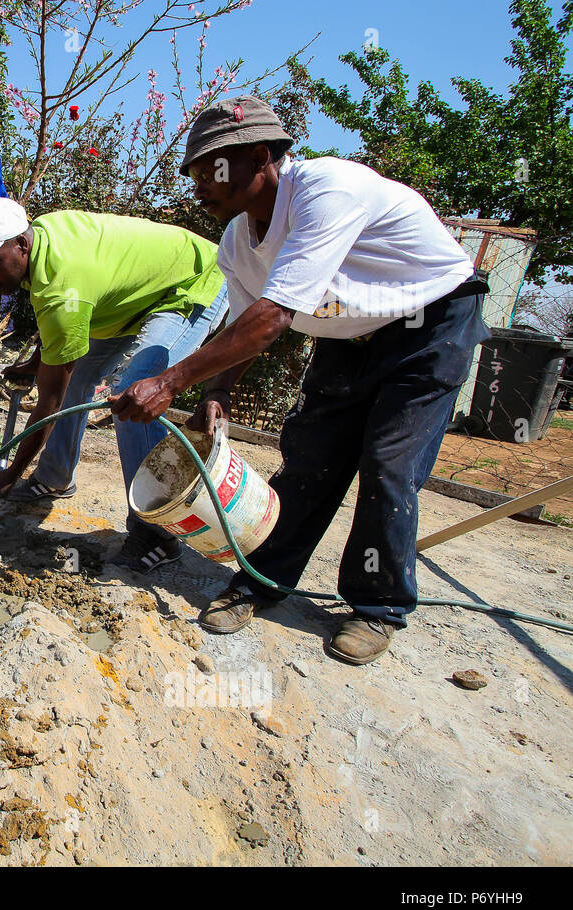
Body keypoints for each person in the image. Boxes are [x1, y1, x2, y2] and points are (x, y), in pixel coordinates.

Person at [109, 95, 487, 665]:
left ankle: (376, 608)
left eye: (209, 170)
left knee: (388, 465)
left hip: (429, 325)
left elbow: (272, 319)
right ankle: (261, 580)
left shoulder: (325, 190)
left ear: (260, 156)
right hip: (346, 334)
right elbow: (240, 321)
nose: (198, 187)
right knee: (310, 456)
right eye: (192, 174)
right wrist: (216, 390)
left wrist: (169, 381)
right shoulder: (238, 240)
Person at [0, 198, 228, 572]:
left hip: (193, 283)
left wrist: (12, 472)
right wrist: (36, 365)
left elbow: (50, 405)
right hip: (130, 300)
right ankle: (54, 478)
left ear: (21, 245)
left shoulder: (62, 285)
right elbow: (64, 330)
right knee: (76, 376)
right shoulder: (42, 239)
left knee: (135, 397)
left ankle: (155, 533)